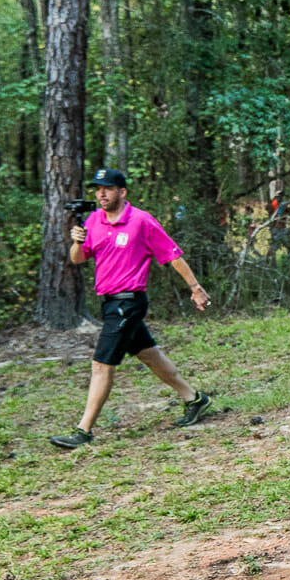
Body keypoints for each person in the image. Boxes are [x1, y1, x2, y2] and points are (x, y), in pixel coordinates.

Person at [49, 169, 214, 449]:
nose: (101, 194)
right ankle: (195, 399)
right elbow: (78, 258)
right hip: (110, 302)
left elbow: (173, 255)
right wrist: (76, 240)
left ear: (122, 192)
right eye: (98, 189)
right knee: (150, 356)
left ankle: (83, 431)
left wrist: (195, 288)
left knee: (101, 365)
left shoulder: (141, 221)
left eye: (108, 188)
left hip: (128, 302)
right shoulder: (93, 220)